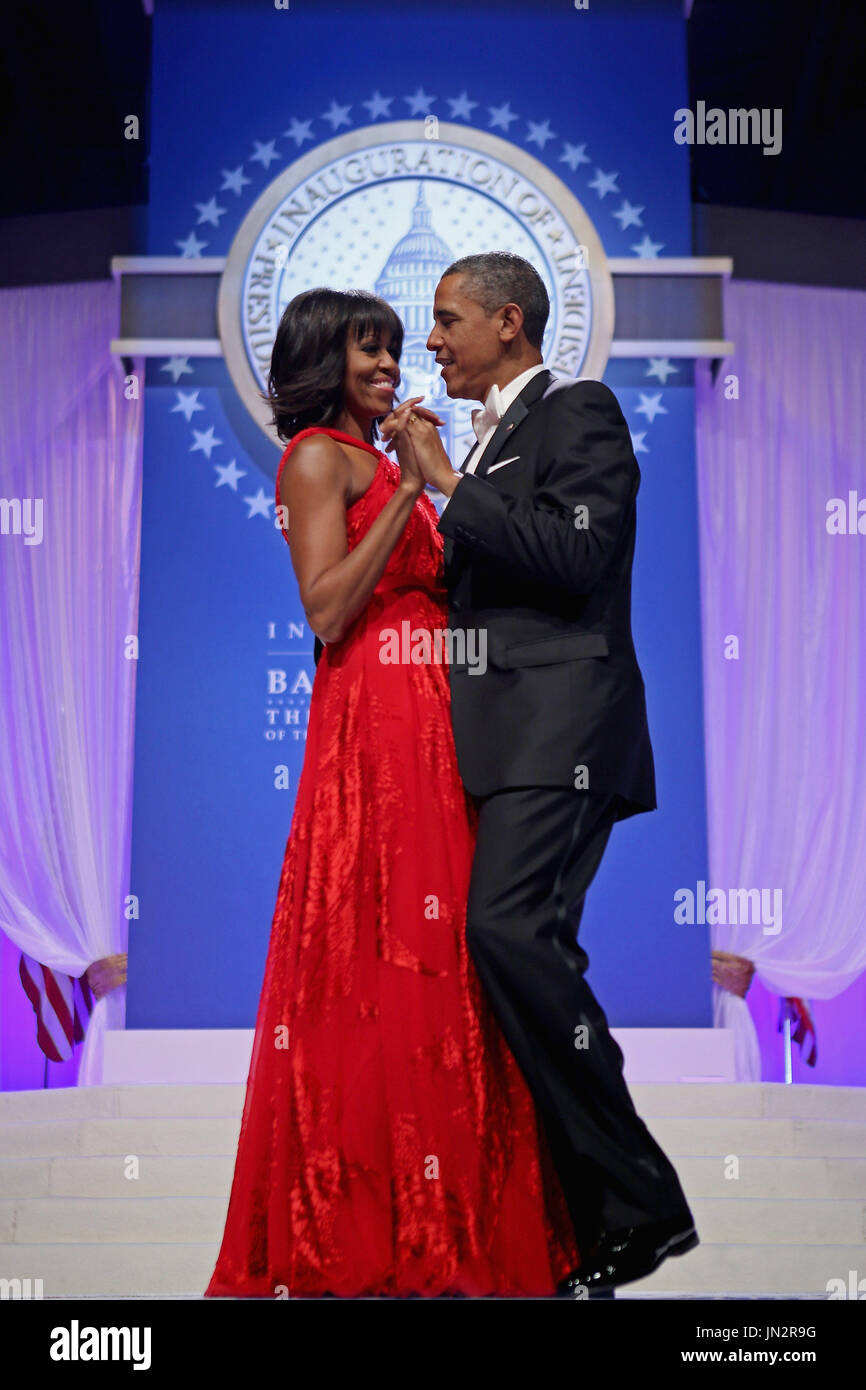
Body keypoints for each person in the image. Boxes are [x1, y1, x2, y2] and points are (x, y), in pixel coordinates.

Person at [204, 286, 584, 1299]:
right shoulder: (315, 461)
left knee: (452, 962)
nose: (387, 364)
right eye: (365, 352)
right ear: (320, 364)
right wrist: (408, 495)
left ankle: (459, 1221)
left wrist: (427, 479)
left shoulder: (385, 456)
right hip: (370, 724)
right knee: (376, 957)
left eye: (389, 349)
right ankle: (365, 1233)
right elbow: (327, 609)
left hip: (434, 718)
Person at [381, 252, 699, 1295]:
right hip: (501, 742)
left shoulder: (578, 411)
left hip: (561, 734)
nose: (429, 344)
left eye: (443, 322)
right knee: (516, 947)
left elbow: (573, 558)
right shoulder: (487, 436)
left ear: (505, 323)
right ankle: (582, 1218)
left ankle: (639, 1203)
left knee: (506, 931)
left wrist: (446, 484)